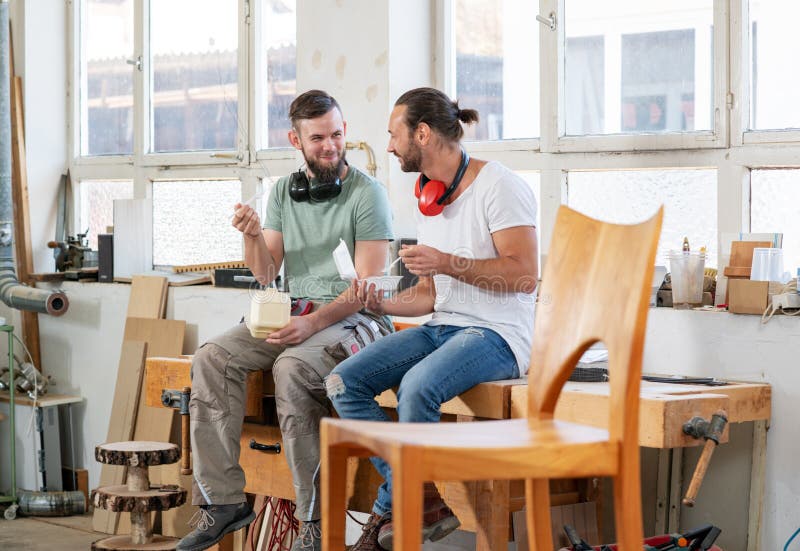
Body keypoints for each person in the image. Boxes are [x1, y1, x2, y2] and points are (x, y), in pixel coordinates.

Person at [177, 90, 394, 551]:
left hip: (359, 319)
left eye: (336, 135)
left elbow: (367, 288)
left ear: (345, 132)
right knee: (212, 357)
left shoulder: (368, 195)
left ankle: (311, 524)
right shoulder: (282, 193)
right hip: (297, 313)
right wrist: (253, 235)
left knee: (292, 368)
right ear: (295, 139)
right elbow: (265, 272)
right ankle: (224, 503)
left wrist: (313, 325)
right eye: (318, 138)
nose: (330, 146)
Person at [326, 87, 539, 551]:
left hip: (497, 334)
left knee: (417, 386)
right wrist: (380, 305)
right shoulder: (429, 196)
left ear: (421, 133)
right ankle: (420, 497)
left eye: (393, 134)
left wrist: (447, 262)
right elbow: (428, 296)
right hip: (444, 326)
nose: (388, 145)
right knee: (343, 382)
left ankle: (391, 509)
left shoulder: (499, 185)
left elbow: (524, 276)